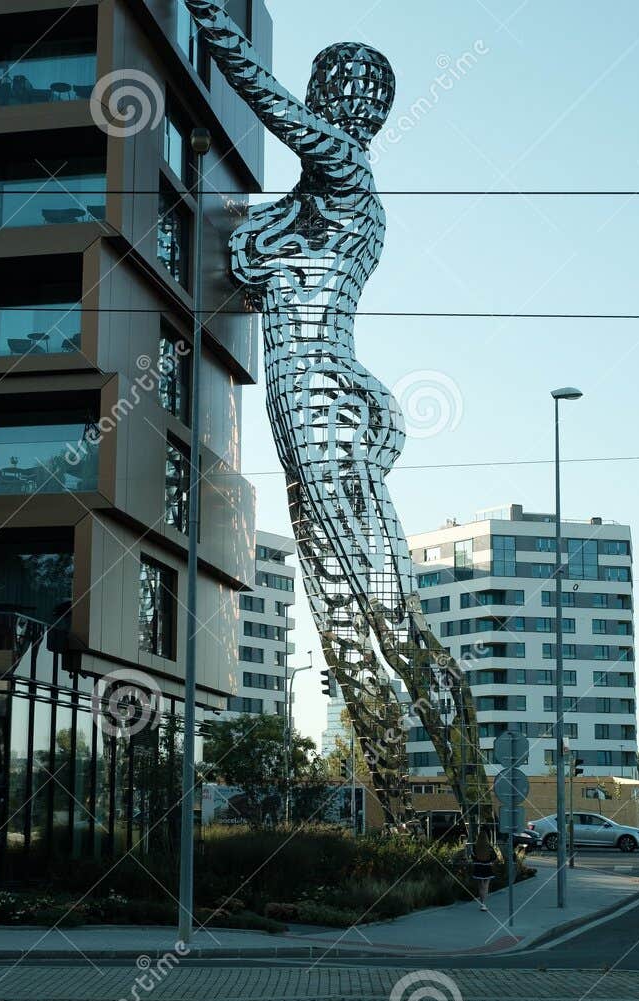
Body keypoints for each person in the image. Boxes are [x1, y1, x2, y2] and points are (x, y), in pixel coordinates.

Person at [182, 1, 486, 830]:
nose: (333, 113)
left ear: (352, 115)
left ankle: (480, 818)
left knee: (389, 625)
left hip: (333, 429)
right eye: (331, 97)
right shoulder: (290, 212)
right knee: (343, 628)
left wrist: (212, 24)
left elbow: (265, 100)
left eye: (341, 104)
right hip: (298, 442)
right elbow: (236, 260)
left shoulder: (351, 180)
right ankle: (403, 828)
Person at [470, 838, 497, 912]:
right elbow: (494, 857)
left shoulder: (475, 847)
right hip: (487, 868)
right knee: (486, 886)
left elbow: (472, 857)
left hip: (478, 867)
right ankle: (484, 904)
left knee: (480, 886)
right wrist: (490, 861)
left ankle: (482, 904)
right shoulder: (489, 847)